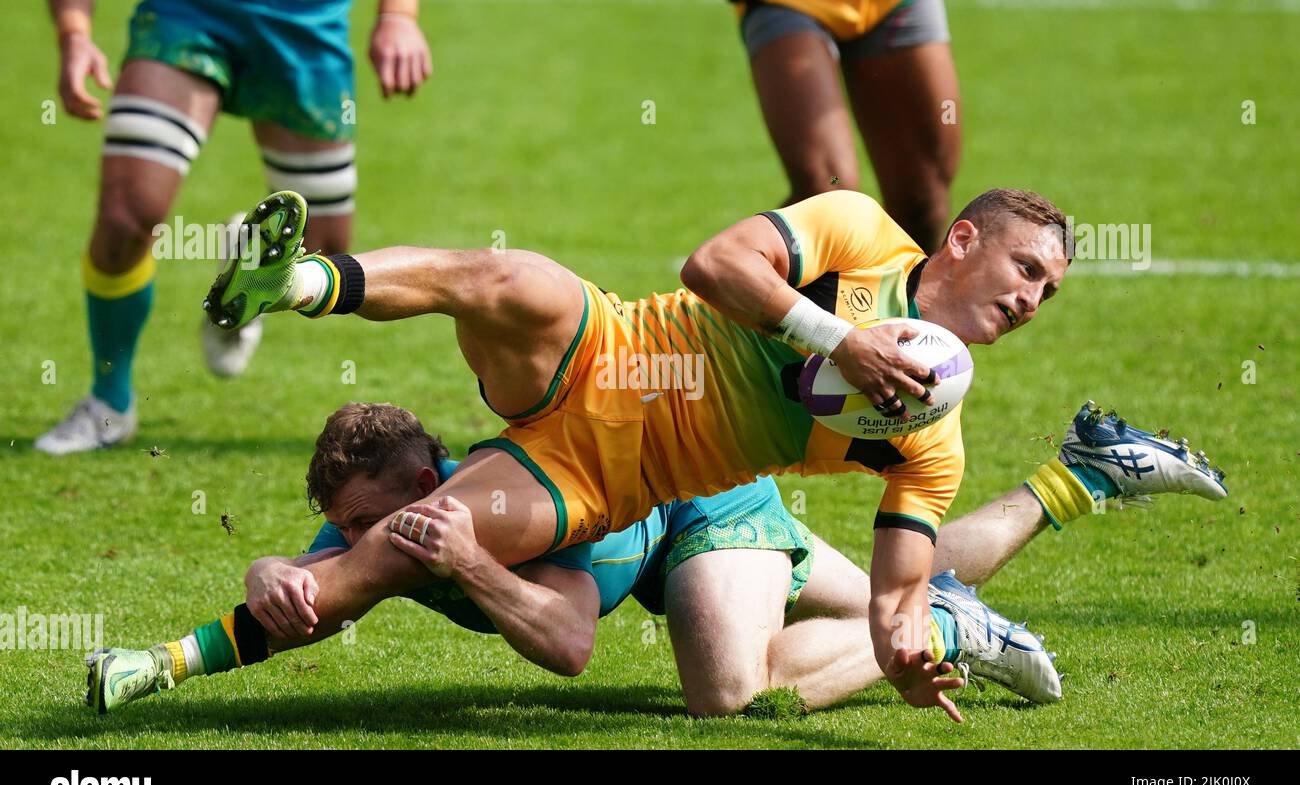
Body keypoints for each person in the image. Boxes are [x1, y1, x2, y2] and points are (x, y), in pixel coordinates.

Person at [197, 187, 1226, 718]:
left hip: (689, 501)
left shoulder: (930, 431)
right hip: (606, 359)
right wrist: (837, 339)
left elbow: (893, 588)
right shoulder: (855, 232)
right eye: (1027, 268)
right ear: (960, 239)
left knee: (738, 692)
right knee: (508, 278)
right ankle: (292, 288)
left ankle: (1059, 499)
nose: (1035, 298)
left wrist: (907, 642)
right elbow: (711, 262)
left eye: (1051, 291)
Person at [88, 401, 1068, 718]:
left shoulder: (516, 517)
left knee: (728, 694)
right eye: (342, 528)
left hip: (701, 500)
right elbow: (301, 600)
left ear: (435, 479)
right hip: (647, 516)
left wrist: (475, 568)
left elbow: (567, 646)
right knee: (907, 574)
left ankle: (942, 626)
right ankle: (1080, 477)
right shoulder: (379, 529)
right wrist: (253, 581)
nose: (356, 547)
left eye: (366, 523)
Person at [37, 0, 432, 454]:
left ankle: (242, 283)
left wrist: (397, 16)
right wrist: (75, 33)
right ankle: (109, 402)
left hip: (306, 28)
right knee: (126, 216)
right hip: (185, 18)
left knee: (324, 256)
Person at [732, 0, 961, 249]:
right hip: (790, 5)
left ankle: (900, 287)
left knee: (923, 203)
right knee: (828, 191)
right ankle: (731, 268)